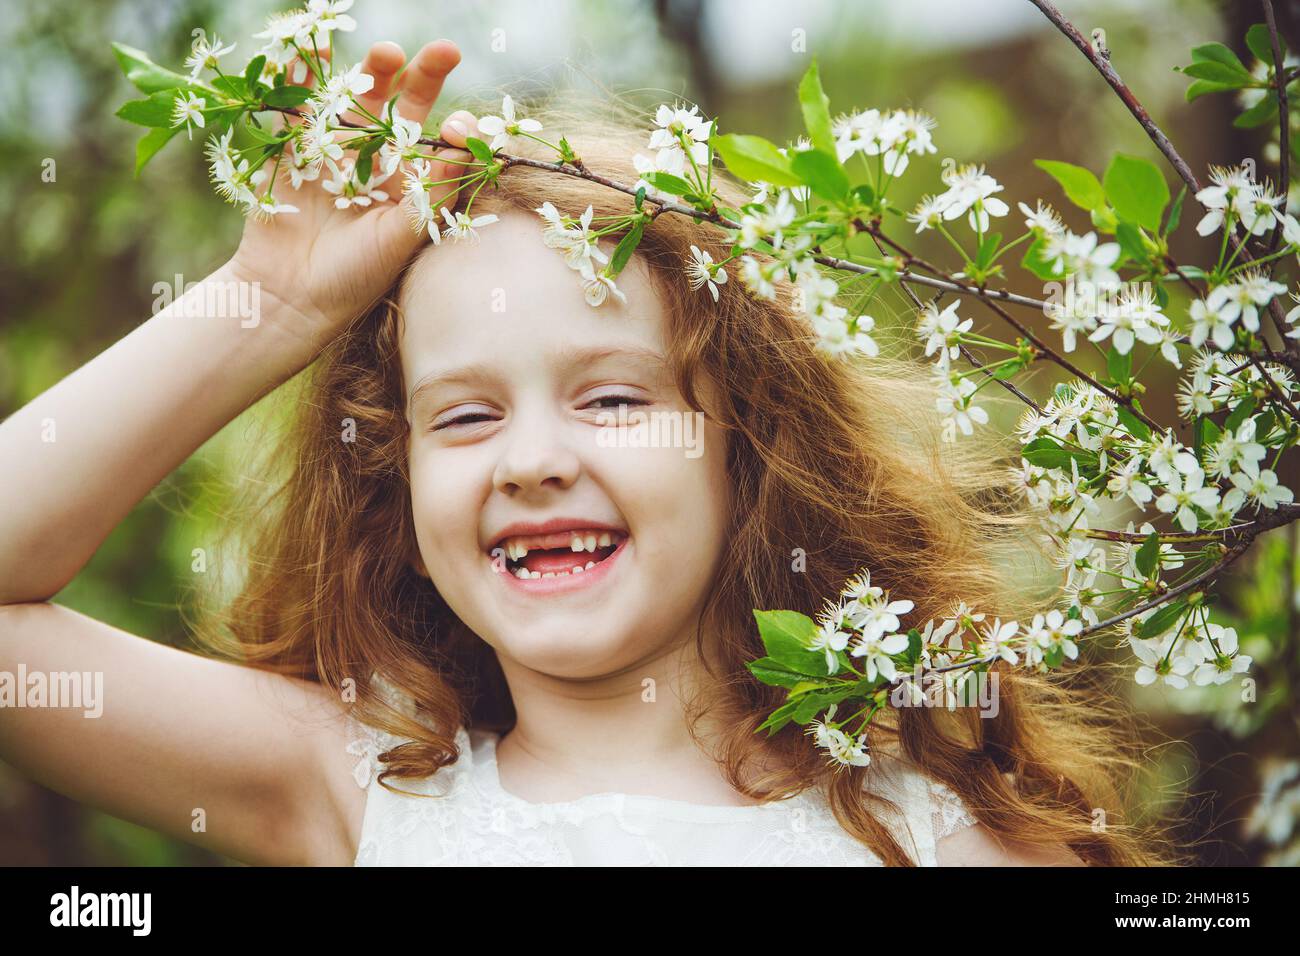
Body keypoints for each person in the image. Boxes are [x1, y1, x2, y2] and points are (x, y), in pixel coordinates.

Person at [0, 38, 1171, 865]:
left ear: (745, 443)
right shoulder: (353, 792)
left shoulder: (935, 835)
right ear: (394, 481)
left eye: (611, 399)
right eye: (462, 415)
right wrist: (269, 302)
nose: (531, 459)